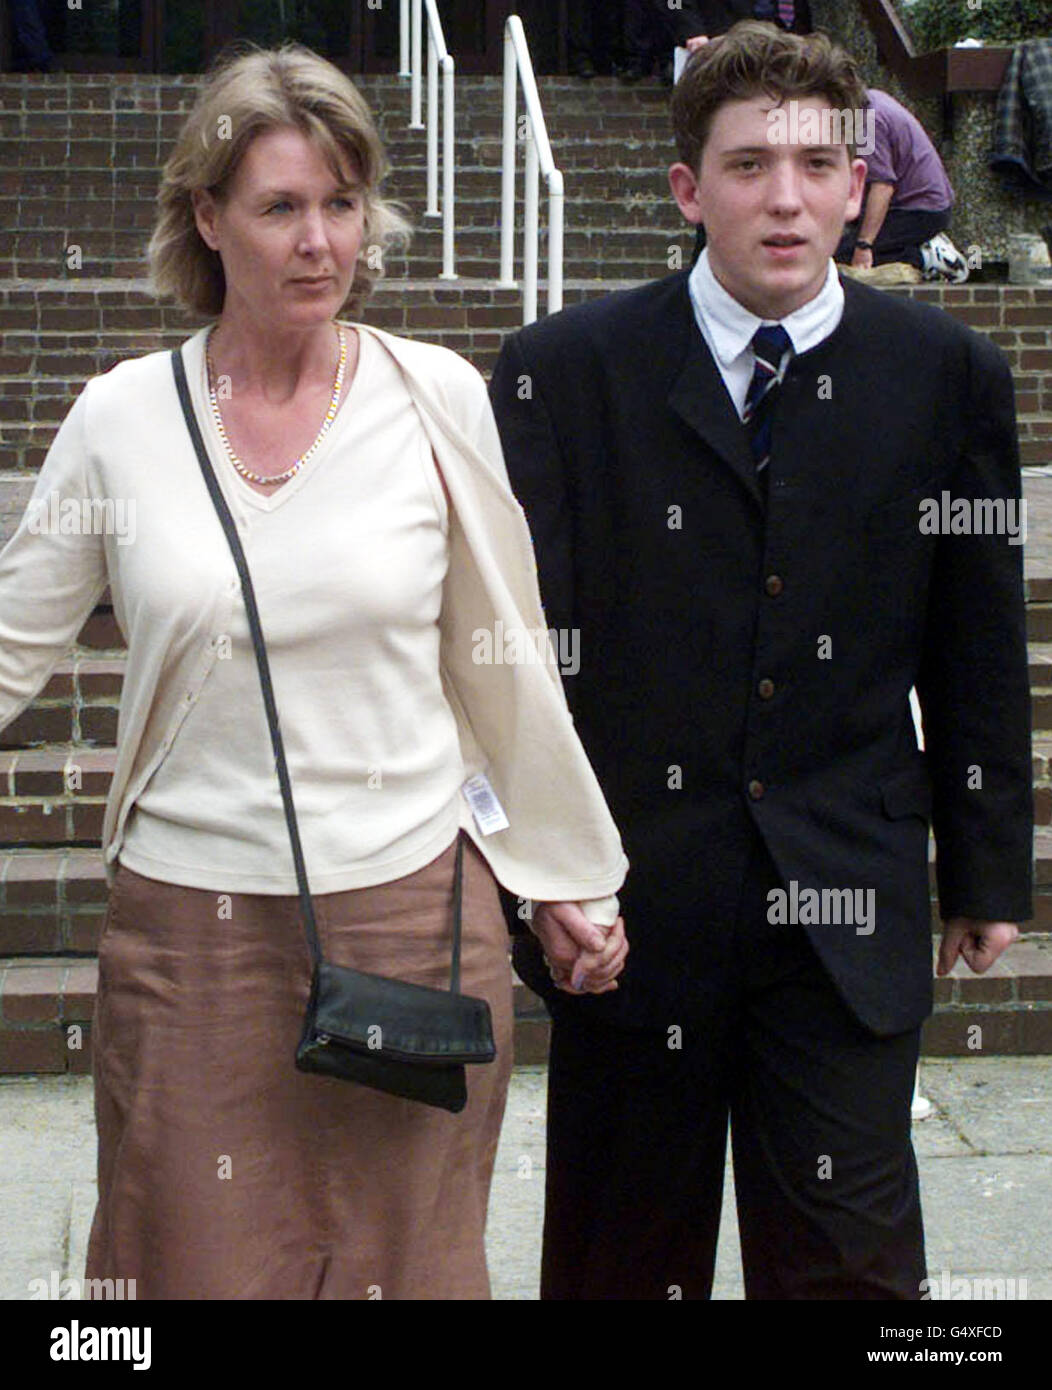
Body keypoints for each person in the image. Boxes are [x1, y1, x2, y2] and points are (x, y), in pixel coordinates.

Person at [0, 42, 628, 1300]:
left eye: (342, 203)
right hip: (191, 930)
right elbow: (12, 643)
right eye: (281, 205)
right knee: (181, 1261)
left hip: (407, 910)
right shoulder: (121, 417)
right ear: (207, 217)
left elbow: (497, 660)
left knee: (402, 1256)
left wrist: (558, 870)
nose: (318, 241)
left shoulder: (434, 393)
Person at [489, 20, 1032, 1300]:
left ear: (858, 182)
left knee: (848, 1270)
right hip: (628, 913)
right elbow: (518, 668)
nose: (782, 197)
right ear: (688, 189)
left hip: (843, 899)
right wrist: (539, 876)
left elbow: (976, 635)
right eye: (745, 166)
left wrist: (984, 860)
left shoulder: (945, 376)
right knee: (621, 1267)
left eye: (813, 163)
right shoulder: (564, 375)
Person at [835, 87, 967, 280]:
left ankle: (928, 257)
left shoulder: (867, 122)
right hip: (912, 203)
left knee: (839, 254)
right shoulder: (871, 100)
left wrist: (864, 244)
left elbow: (883, 188)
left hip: (921, 210)